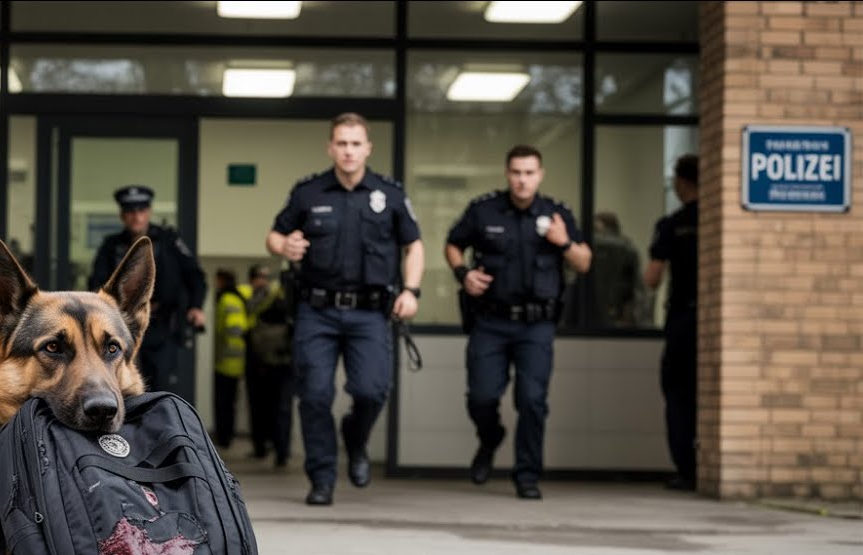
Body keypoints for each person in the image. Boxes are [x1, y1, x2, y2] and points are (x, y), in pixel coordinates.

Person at [266, 112, 425, 506]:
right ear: (331, 147)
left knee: (372, 390)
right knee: (315, 396)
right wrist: (283, 246)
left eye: (356, 144)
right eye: (342, 143)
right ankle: (321, 479)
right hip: (316, 311)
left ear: (368, 148)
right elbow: (274, 234)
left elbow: (414, 246)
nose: (349, 151)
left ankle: (355, 441)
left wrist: (412, 290)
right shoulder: (308, 192)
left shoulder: (389, 194)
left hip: (370, 313)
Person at [445, 144, 592, 500]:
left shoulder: (556, 214)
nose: (522, 180)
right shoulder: (483, 210)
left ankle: (527, 475)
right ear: (507, 174)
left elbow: (584, 261)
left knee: (532, 401)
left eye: (529, 173)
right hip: (490, 322)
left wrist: (564, 242)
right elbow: (452, 244)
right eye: (516, 172)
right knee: (481, 396)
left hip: (536, 326)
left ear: (540, 175)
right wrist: (463, 273)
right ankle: (490, 437)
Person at [88, 185, 206, 392]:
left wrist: (196, 306)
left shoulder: (169, 241)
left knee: (159, 384)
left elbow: (195, 276)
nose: (137, 217)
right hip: (120, 324)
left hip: (162, 324)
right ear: (123, 216)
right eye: (131, 212)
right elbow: (96, 284)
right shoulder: (111, 246)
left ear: (149, 212)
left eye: (141, 211)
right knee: (120, 383)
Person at [644, 154, 699, 492]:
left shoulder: (671, 224)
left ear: (681, 182)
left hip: (683, 320)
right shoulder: (722, 219)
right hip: (719, 322)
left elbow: (652, 278)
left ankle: (686, 470)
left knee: (678, 394)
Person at [243, 263, 295, 469]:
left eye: (265, 277)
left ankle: (281, 451)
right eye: (258, 277)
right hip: (257, 362)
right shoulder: (248, 300)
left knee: (280, 409)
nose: (262, 281)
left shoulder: (279, 298)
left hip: (279, 362)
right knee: (259, 408)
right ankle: (262, 447)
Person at [212, 268, 248, 449]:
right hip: (230, 362)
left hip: (228, 363)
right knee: (227, 403)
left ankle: (225, 438)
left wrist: (226, 352)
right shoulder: (232, 297)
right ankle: (224, 436)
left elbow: (235, 329)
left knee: (225, 403)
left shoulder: (228, 299)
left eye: (217, 280)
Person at [590, 211, 645, 328]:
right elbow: (638, 288)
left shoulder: (588, 246)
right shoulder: (628, 247)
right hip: (619, 316)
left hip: (589, 315)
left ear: (600, 225)